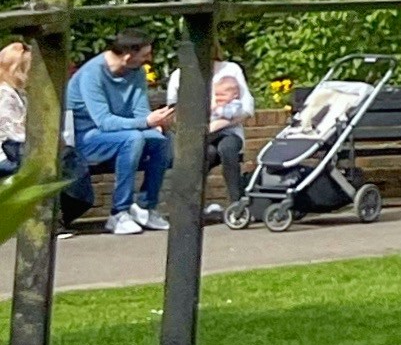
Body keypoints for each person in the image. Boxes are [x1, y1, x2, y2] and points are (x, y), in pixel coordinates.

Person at [65, 31, 168, 235]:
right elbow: (103, 122)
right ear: (128, 56)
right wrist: (146, 122)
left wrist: (155, 123)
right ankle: (118, 212)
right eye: (145, 55)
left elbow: (140, 111)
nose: (149, 59)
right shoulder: (91, 74)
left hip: (118, 134)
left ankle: (145, 206)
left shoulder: (136, 72)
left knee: (159, 141)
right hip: (85, 138)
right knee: (132, 138)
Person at [167, 45, 258, 225]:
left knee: (228, 148)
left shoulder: (231, 69)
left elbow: (247, 108)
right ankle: (193, 207)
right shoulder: (179, 75)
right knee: (206, 153)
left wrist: (221, 123)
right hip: (199, 133)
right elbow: (173, 111)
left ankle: (237, 204)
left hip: (229, 129)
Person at [0, 38, 27, 182]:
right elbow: (14, 135)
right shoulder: (4, 94)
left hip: (16, 151)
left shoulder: (19, 92)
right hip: (5, 156)